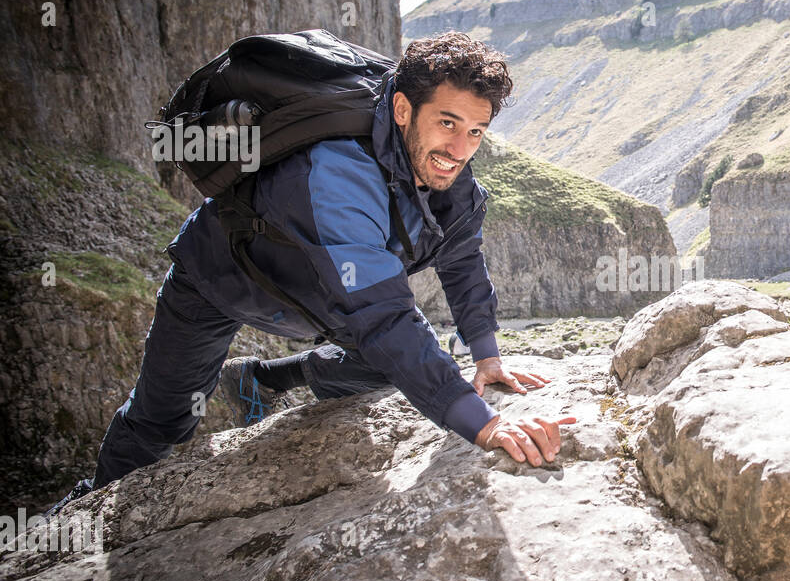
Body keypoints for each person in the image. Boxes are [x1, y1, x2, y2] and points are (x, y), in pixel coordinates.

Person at [46, 32, 576, 516]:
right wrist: (485, 425)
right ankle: (79, 518)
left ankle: (264, 377)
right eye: (447, 123)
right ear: (401, 108)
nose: (459, 150)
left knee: (405, 362)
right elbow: (385, 319)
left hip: (317, 296)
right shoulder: (336, 172)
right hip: (219, 280)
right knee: (161, 421)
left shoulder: (451, 179)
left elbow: (461, 259)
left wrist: (485, 355)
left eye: (476, 132)